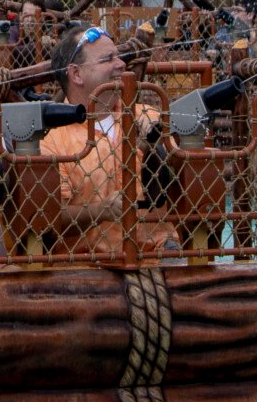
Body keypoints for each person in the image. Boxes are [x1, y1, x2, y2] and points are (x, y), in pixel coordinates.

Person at [39, 25, 167, 255]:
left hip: (159, 259)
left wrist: (152, 150)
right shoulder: (52, 140)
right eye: (108, 59)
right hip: (87, 269)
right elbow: (49, 220)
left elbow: (181, 187)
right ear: (76, 74)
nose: (121, 64)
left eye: (118, 57)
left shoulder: (149, 115)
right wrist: (101, 210)